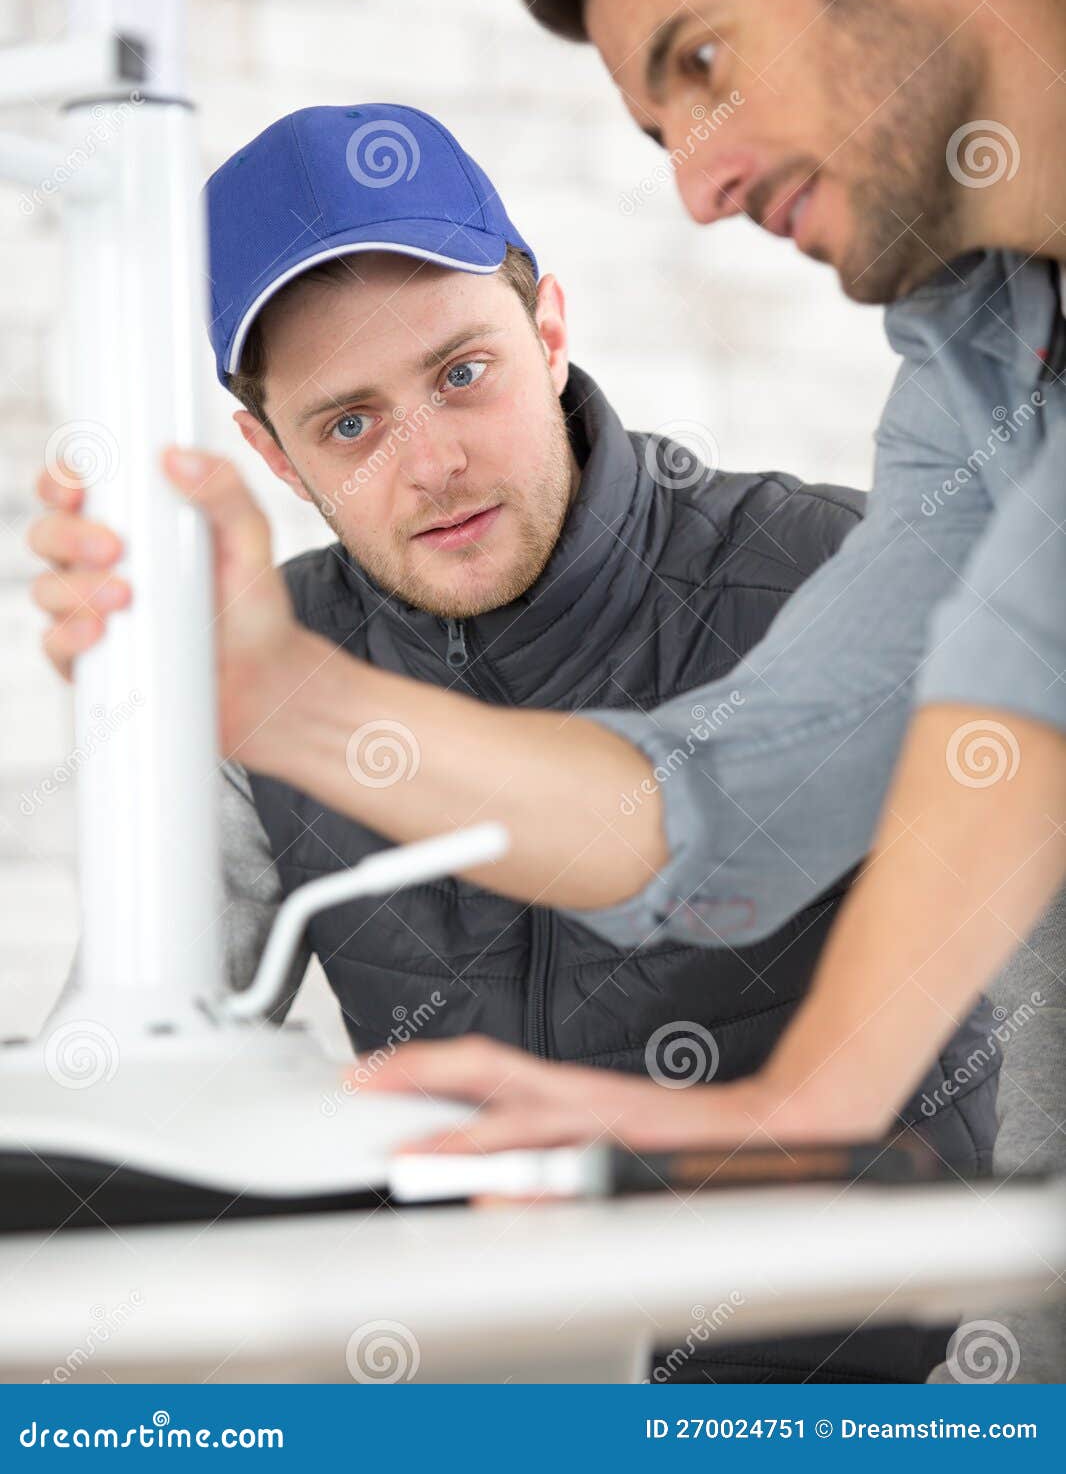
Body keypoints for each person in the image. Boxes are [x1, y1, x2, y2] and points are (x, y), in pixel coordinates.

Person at [31, 100, 994, 1382]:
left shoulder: (837, 577)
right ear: (270, 453)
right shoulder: (250, 658)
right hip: (471, 1380)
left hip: (864, 1385)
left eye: (460, 372)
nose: (432, 462)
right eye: (350, 424)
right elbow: (143, 1091)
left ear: (546, 331)